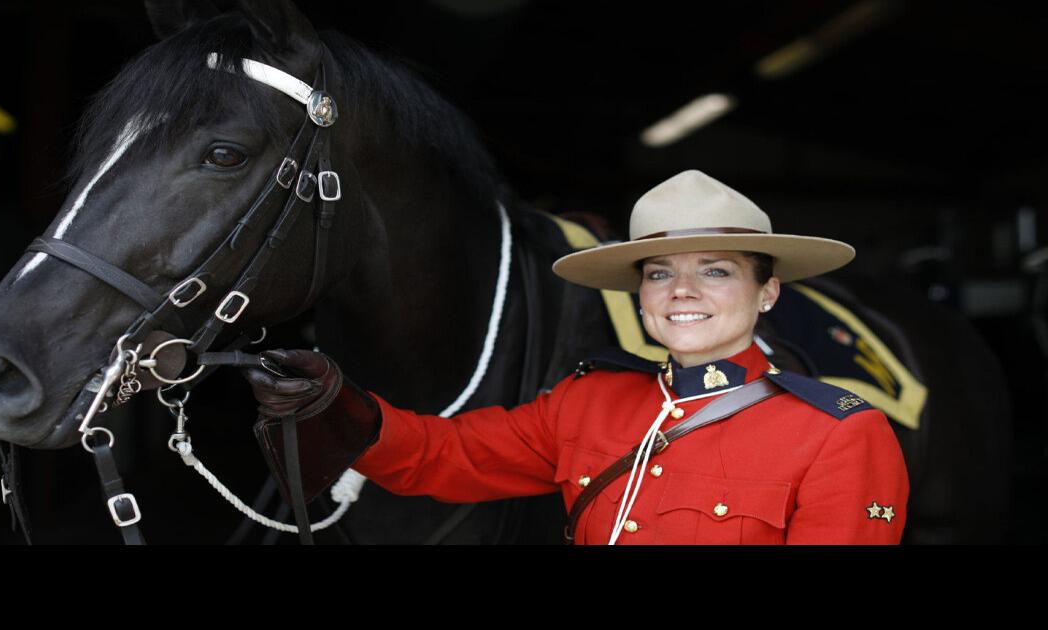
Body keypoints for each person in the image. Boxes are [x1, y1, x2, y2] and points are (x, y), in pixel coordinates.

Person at [246, 170, 909, 545]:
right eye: (658, 273)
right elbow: (444, 456)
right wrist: (337, 405)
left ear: (767, 292)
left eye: (715, 271)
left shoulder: (840, 435)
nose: (681, 291)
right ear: (640, 295)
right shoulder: (589, 402)